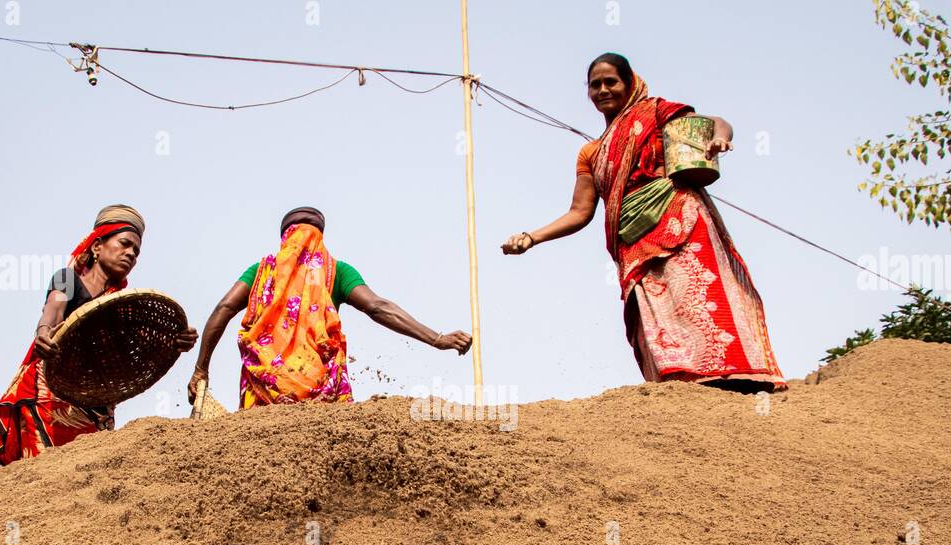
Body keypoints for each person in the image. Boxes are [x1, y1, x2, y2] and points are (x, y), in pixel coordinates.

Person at [502, 53, 785, 392]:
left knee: (696, 295)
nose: (603, 90)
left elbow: (715, 122)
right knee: (658, 310)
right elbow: (580, 212)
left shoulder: (656, 112)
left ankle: (735, 377)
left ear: (630, 83)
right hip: (633, 241)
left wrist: (718, 139)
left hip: (682, 220)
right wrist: (531, 237)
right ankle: (680, 383)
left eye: (611, 82)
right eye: (595, 85)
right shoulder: (591, 152)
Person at [188, 206, 472, 408]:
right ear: (321, 237)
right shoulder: (335, 271)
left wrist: (201, 368)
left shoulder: (262, 272)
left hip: (265, 390)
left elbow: (224, 307)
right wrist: (436, 338)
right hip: (320, 392)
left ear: (284, 237)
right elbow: (377, 306)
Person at [0, 204, 198, 468]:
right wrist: (43, 333)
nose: (131, 253)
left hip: (92, 399)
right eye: (124, 244)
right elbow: (53, 310)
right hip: (50, 391)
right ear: (97, 247)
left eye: (136, 251)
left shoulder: (121, 307)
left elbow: (142, 344)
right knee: (43, 471)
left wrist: (176, 341)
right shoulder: (67, 280)